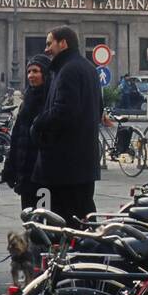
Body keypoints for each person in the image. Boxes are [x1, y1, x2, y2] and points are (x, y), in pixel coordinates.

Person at [32, 26, 102, 225]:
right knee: (83, 215)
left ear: (63, 43)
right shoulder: (88, 68)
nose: (46, 49)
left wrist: (38, 124)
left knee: (65, 220)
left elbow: (64, 112)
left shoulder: (68, 70)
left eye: (49, 43)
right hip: (83, 162)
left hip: (66, 164)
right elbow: (98, 109)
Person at [1, 55, 51, 211]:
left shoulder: (50, 100)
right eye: (29, 71)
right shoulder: (27, 100)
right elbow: (16, 136)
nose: (31, 75)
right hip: (26, 172)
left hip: (43, 172)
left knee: (44, 220)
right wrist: (10, 167)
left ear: (45, 74)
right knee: (29, 217)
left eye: (35, 71)